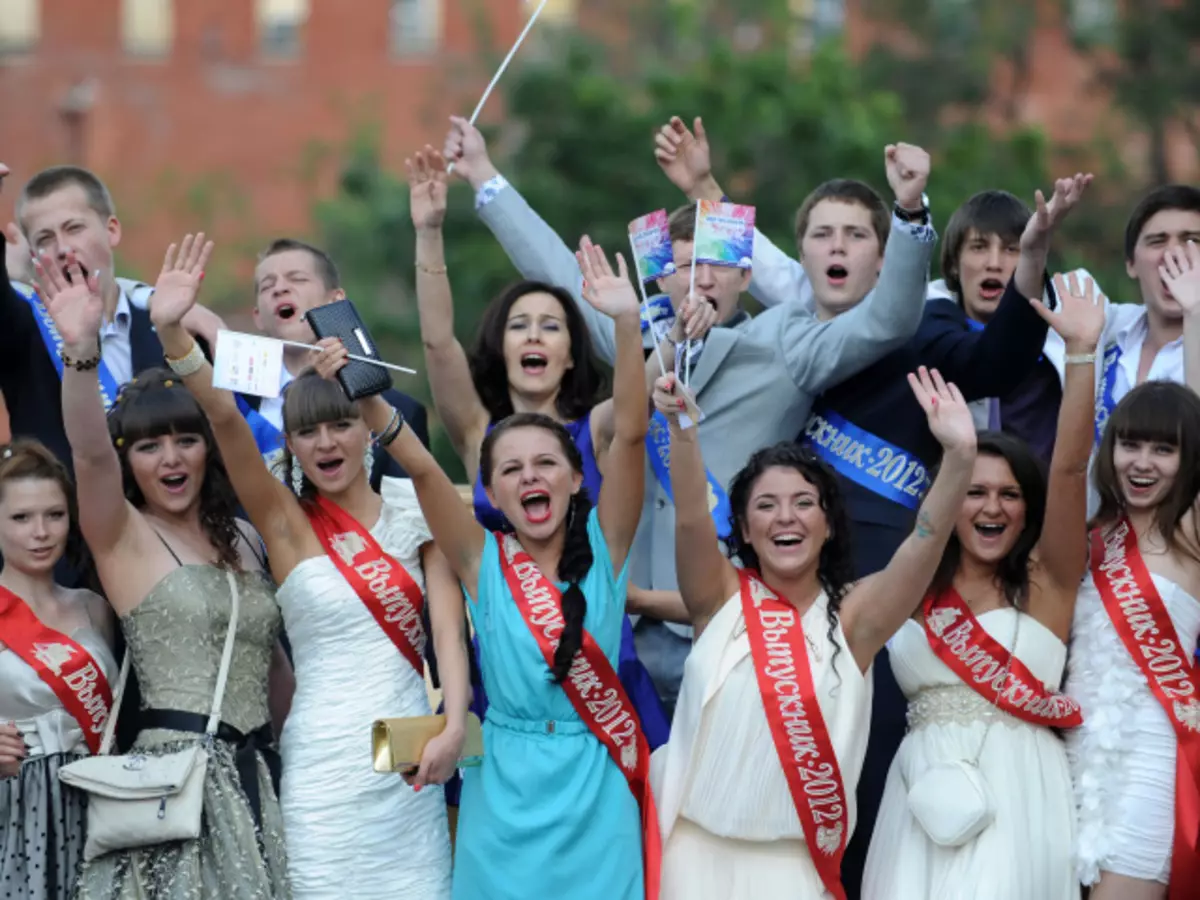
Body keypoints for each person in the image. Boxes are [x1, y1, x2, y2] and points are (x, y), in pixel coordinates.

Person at [445, 116, 937, 718]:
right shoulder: (640, 336)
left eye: (716, 264)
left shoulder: (786, 342)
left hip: (725, 620)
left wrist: (910, 215)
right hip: (621, 625)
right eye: (684, 265)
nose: (701, 278)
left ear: (745, 275)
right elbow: (556, 272)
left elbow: (888, 321)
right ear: (661, 274)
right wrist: (485, 176)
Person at [320, 236, 655, 898]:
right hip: (502, 791)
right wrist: (358, 387)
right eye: (511, 470)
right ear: (493, 493)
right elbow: (417, 464)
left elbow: (636, 433)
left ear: (576, 479)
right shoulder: (479, 559)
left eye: (546, 465)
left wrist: (623, 320)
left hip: (598, 786)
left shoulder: (607, 542)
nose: (530, 478)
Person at [150, 234, 467, 898]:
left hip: (411, 759)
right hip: (321, 764)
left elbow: (447, 633)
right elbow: (227, 422)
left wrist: (458, 723)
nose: (327, 442)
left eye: (343, 424)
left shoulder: (413, 512)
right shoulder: (286, 522)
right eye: (308, 432)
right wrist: (175, 333)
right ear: (291, 442)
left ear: (368, 429)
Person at [648, 364, 977, 899]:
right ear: (746, 530)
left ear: (828, 524)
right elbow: (690, 518)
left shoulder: (856, 619)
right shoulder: (719, 598)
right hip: (691, 858)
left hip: (796, 872)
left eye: (804, 503)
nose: (786, 518)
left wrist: (960, 457)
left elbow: (926, 538)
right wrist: (682, 431)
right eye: (766, 506)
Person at [32, 244, 290, 898]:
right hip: (172, 791)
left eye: (185, 439)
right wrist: (81, 351)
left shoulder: (245, 539)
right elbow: (90, 453)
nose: (170, 458)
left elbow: (277, 675)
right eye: (148, 446)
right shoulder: (122, 535)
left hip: (264, 780)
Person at [405, 145, 668, 747]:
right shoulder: (479, 434)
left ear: (571, 352)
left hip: (596, 656)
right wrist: (429, 232)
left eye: (551, 325)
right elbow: (438, 344)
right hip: (507, 657)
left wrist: (663, 322)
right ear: (502, 348)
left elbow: (639, 404)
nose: (534, 335)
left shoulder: (596, 428)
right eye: (520, 324)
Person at [861, 270, 1105, 900]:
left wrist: (1081, 353)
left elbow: (1072, 465)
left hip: (1019, 792)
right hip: (919, 797)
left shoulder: (1046, 580)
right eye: (974, 491)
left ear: (1028, 508)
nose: (991, 507)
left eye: (1010, 494)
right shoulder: (910, 582)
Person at [1064, 241, 1200, 900]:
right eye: (1130, 444)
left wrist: (1197, 319)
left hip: (1151, 758)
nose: (1142, 463)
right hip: (1071, 757)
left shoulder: (1191, 534)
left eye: (1164, 449)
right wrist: (1083, 351)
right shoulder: (1092, 537)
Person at [0, 163, 216, 474]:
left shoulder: (170, 323)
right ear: (32, 255)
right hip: (67, 520)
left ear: (111, 230)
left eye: (74, 228)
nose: (62, 249)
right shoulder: (25, 330)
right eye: (44, 239)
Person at [0, 440, 117, 899]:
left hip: (100, 807)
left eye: (54, 514)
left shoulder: (96, 609)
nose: (41, 532)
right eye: (21, 518)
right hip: (14, 812)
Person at [241, 237, 429, 481]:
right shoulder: (235, 405)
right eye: (267, 286)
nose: (279, 289)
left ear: (336, 299)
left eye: (297, 279)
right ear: (258, 317)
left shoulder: (398, 411)